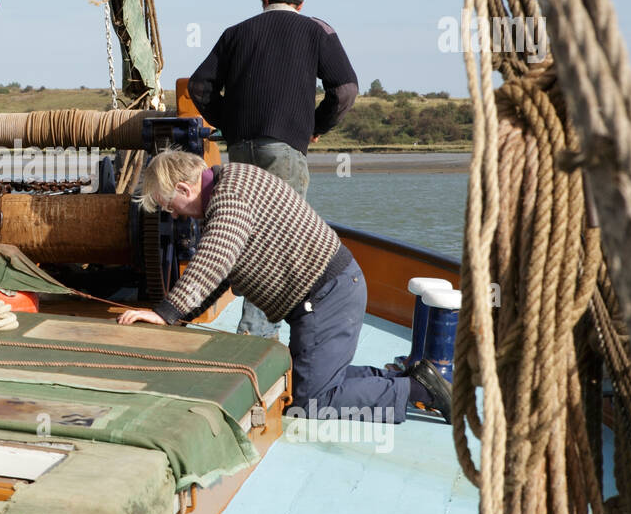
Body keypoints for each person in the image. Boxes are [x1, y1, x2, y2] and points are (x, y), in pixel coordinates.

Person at [117, 150, 451, 424]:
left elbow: (215, 259)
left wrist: (164, 313)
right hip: (329, 292)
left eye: (168, 205)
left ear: (185, 189)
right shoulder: (228, 184)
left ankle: (418, 392)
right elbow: (225, 272)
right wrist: (180, 316)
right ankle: (410, 378)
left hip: (326, 296)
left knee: (311, 401)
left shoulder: (228, 195)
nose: (172, 216)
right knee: (308, 379)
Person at [187, 0, 358, 340]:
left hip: (242, 146)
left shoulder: (236, 33)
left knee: (245, 232)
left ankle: (250, 329)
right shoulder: (317, 31)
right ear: (300, 3)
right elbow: (345, 90)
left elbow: (199, 86)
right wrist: (317, 125)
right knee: (278, 239)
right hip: (284, 149)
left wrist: (227, 122)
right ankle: (257, 338)